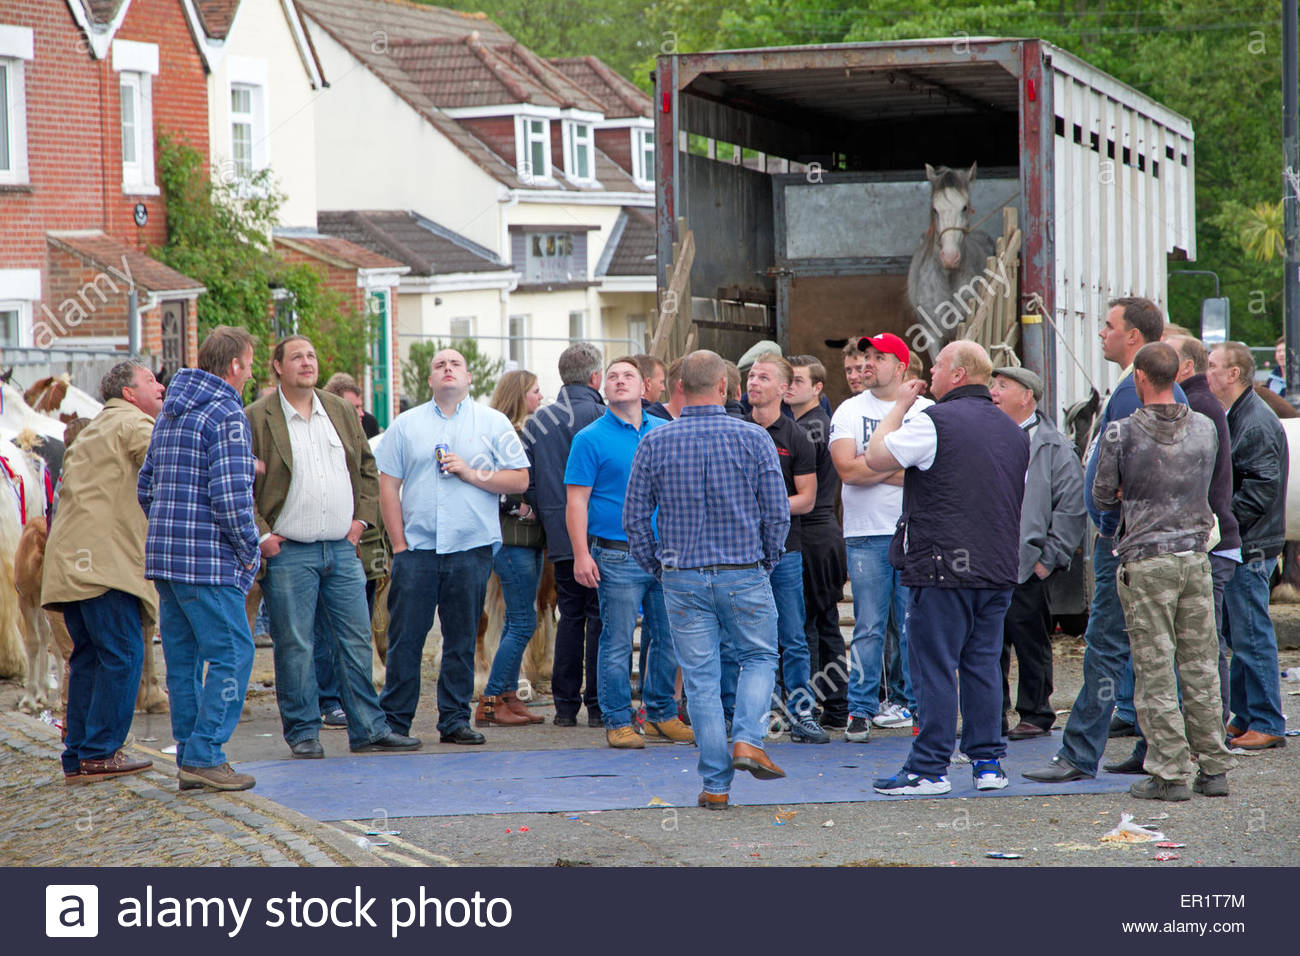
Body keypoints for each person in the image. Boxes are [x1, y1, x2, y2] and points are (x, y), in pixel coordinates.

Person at [1025, 297, 1186, 784]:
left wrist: (1113, 528)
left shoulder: (1133, 390)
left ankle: (1079, 753)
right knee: (1155, 646)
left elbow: (1129, 472)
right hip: (1143, 539)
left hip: (1125, 542)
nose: (1101, 333)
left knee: (1105, 645)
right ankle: (1155, 743)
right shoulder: (1140, 389)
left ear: (1134, 337)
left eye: (1109, 326)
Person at [624, 350, 789, 809]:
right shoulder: (754, 439)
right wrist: (766, 562)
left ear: (679, 388)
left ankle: (715, 787)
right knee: (757, 657)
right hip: (743, 572)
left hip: (682, 575)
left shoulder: (654, 442)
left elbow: (634, 519)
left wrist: (658, 567)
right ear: (724, 388)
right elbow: (776, 513)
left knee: (699, 680)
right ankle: (748, 739)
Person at [865, 341, 1029, 795]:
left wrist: (898, 406)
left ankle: (930, 768)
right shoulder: (1014, 431)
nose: (930, 374)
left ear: (958, 374)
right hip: (997, 567)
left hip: (941, 567)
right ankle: (988, 764)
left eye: (937, 366)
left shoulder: (932, 421)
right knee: (983, 665)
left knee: (933, 665)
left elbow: (875, 458)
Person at [246, 336, 419, 759]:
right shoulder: (255, 417)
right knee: (296, 644)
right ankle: (304, 731)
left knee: (356, 640)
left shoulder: (339, 409)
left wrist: (360, 523)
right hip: (290, 552)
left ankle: (369, 728)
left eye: (312, 355)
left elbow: (366, 468)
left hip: (343, 548)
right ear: (277, 367)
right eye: (297, 357)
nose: (307, 362)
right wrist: (263, 534)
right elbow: (240, 483)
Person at [1094, 342, 1235, 799]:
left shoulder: (1121, 433)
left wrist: (1124, 503)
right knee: (1201, 667)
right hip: (1195, 556)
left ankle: (1170, 773)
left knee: (1155, 669)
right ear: (1177, 375)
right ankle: (1214, 768)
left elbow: (1101, 496)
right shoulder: (1205, 427)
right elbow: (1212, 483)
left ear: (1139, 377)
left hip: (1146, 558)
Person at [375, 349, 530, 744]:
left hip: (470, 547)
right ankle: (395, 721)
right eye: (439, 365)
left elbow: (519, 480)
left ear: (469, 378)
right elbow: (387, 485)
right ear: (429, 380)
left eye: (455, 364)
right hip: (418, 549)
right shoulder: (406, 425)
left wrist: (470, 471)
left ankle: (455, 720)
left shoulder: (492, 423)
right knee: (406, 637)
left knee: (462, 638)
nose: (447, 369)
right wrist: (399, 544)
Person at [138, 325, 262, 792]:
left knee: (184, 660)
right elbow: (231, 497)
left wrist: (172, 527)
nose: (249, 374)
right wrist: (249, 550)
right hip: (209, 563)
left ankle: (191, 756)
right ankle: (206, 753)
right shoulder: (227, 413)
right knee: (233, 654)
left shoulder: (172, 412)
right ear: (235, 366)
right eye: (248, 364)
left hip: (166, 561)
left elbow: (145, 486)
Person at [44, 361, 165, 784]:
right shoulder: (131, 423)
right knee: (124, 654)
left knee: (89, 658)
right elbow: (164, 458)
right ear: (129, 394)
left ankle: (78, 755)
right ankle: (101, 752)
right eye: (152, 381)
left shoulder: (92, 430)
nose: (161, 387)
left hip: (69, 566)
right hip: (104, 567)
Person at [566, 358, 691, 748]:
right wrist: (581, 554)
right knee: (618, 641)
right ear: (604, 388)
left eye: (628, 376)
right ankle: (618, 719)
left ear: (646, 387)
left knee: (669, 637)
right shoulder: (589, 438)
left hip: (667, 555)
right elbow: (576, 502)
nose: (620, 381)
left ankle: (660, 714)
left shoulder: (667, 431)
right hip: (617, 555)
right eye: (612, 377)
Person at [829, 333, 929, 742]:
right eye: (866, 356)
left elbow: (929, 474)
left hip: (915, 532)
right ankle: (860, 710)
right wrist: (896, 468)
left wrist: (871, 464)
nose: (868, 363)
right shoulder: (849, 409)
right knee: (868, 625)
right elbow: (847, 472)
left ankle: (919, 707)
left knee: (914, 625)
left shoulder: (925, 410)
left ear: (901, 366)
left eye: (879, 357)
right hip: (866, 533)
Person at [988, 366, 1085, 741]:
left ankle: (1035, 713)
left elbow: (1071, 506)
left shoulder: (1053, 445)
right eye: (993, 385)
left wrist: (1049, 558)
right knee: (987, 645)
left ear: (1026, 395)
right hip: (987, 561)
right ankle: (991, 715)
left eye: (1002, 386)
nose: (993, 392)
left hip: (1027, 564)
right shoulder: (987, 436)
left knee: (1030, 641)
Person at [735, 353, 826, 743]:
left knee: (793, 637)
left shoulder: (798, 438)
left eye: (764, 377)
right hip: (740, 555)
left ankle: (802, 713)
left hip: (786, 552)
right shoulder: (733, 430)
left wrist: (759, 507)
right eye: (751, 376)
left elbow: (806, 499)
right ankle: (755, 716)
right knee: (746, 640)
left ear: (784, 390)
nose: (754, 382)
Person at [1207, 341, 1289, 750]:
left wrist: (1218, 524)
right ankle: (1245, 714)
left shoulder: (1255, 422)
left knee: (1251, 633)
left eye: (1211, 366)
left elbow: (1259, 491)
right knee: (1238, 633)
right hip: (1241, 543)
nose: (1206, 373)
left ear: (1234, 374)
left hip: (1250, 547)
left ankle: (1267, 719)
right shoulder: (1239, 415)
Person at [522, 342, 606, 727]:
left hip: (559, 536)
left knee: (570, 616)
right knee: (602, 619)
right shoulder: (607, 418)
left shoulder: (537, 423)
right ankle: (600, 704)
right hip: (605, 536)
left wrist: (548, 513)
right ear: (595, 377)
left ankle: (565, 708)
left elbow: (525, 480)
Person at [316, 372, 393, 726]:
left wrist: (363, 526)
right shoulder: (321, 437)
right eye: (354, 406)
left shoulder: (362, 438)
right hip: (326, 544)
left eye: (361, 407)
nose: (361, 414)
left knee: (358, 628)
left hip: (362, 544)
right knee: (326, 631)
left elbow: (371, 488)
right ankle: (327, 698)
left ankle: (354, 699)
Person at [476, 370, 548, 727]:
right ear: (521, 395)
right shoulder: (504, 434)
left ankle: (506, 697)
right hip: (511, 539)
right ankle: (491, 702)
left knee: (519, 620)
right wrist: (526, 507)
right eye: (535, 391)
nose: (541, 397)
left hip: (528, 539)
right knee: (522, 620)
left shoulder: (522, 432)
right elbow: (496, 486)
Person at [788, 355, 848, 730]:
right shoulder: (805, 426)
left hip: (814, 532)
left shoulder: (812, 429)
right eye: (788, 379)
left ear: (817, 388)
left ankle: (811, 708)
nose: (790, 385)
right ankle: (837, 707)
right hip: (820, 531)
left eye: (797, 380)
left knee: (809, 624)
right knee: (823, 623)